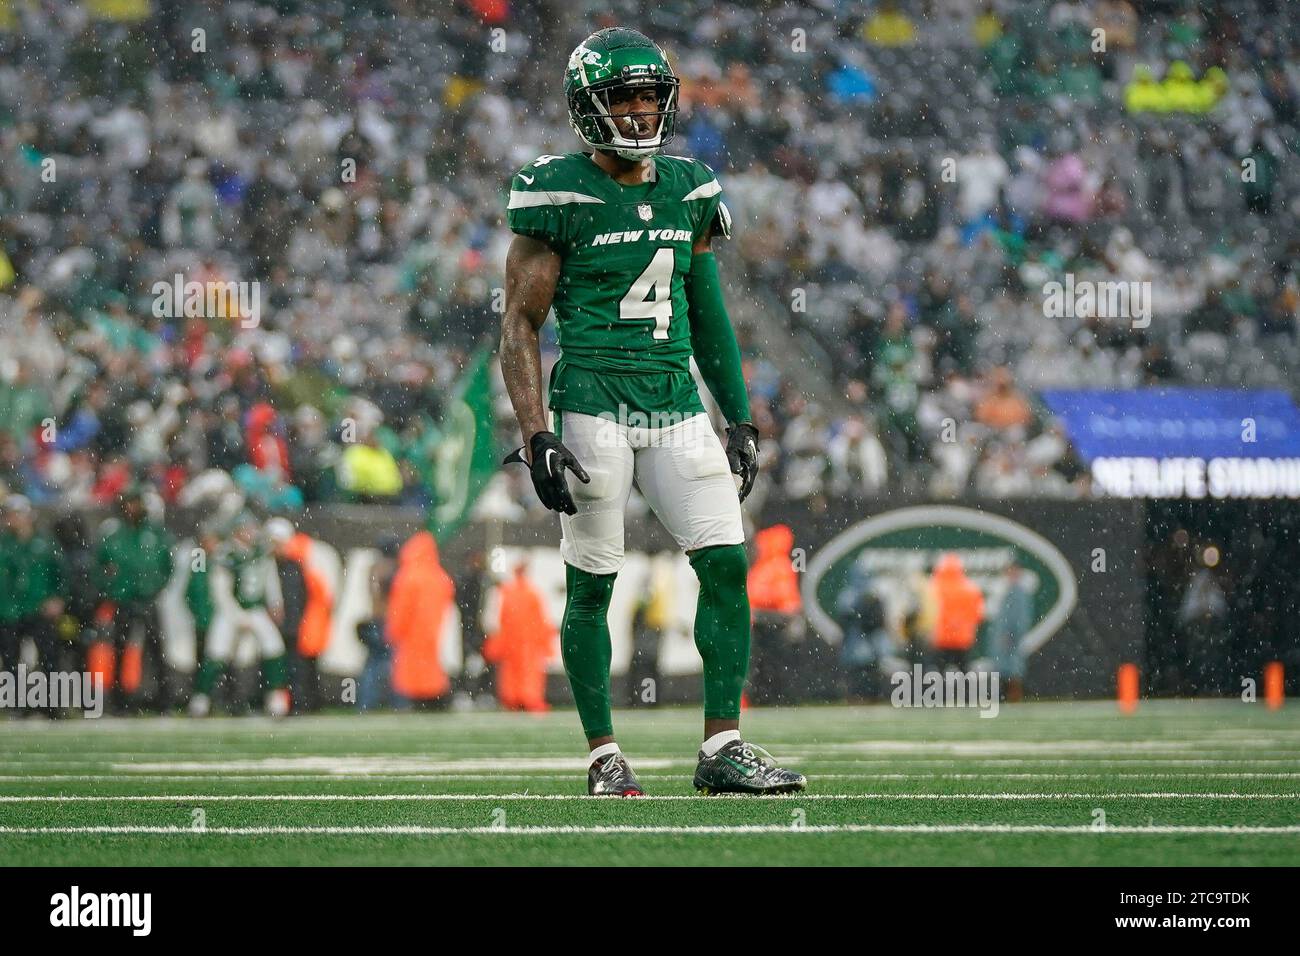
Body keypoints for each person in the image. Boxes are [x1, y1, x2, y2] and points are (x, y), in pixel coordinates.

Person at [498, 27, 803, 795]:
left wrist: (737, 415)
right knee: (595, 581)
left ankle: (723, 746)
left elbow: (709, 313)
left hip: (674, 402)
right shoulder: (556, 190)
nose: (639, 113)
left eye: (649, 97)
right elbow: (520, 325)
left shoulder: (689, 187)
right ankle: (603, 753)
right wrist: (535, 433)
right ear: (586, 107)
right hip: (593, 402)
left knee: (727, 564)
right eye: (623, 98)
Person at [190, 512, 290, 717]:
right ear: (237, 531)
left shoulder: (261, 552)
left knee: (274, 649)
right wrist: (237, 616)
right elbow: (220, 591)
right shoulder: (226, 554)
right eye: (247, 529)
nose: (252, 533)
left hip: (255, 608)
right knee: (216, 655)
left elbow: (270, 580)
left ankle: (276, 702)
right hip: (230, 611)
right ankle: (200, 702)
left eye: (253, 528)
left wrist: (276, 603)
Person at [95, 487, 174, 712]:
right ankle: (121, 699)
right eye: (129, 503)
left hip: (148, 599)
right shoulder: (114, 534)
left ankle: (163, 698)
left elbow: (167, 565)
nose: (132, 508)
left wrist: (154, 586)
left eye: (135, 503)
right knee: (120, 647)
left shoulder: (155, 533)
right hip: (124, 599)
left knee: (156, 649)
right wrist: (112, 588)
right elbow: (99, 566)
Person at [267, 518, 334, 712]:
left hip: (301, 621)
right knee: (300, 666)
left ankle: (303, 703)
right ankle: (305, 702)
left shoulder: (296, 562)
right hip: (302, 620)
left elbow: (301, 595)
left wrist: (293, 623)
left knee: (300, 666)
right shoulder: (297, 559)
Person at [385, 531, 454, 710]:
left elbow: (400, 610)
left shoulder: (407, 576)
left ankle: (417, 704)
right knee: (434, 675)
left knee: (413, 678)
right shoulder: (439, 576)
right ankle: (435, 702)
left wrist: (393, 632)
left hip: (413, 636)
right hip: (436, 634)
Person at [482, 560, 555, 712]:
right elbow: (543, 621)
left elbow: (494, 621)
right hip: (527, 643)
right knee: (528, 673)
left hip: (512, 643)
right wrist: (545, 643)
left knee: (512, 673)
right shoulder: (533, 593)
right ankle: (527, 698)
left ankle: (514, 699)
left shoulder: (506, 592)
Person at [929, 553, 986, 672]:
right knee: (964, 674)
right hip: (963, 640)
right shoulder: (971, 589)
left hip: (941, 639)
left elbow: (928, 614)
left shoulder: (934, 587)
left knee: (937, 677)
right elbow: (979, 615)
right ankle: (965, 690)